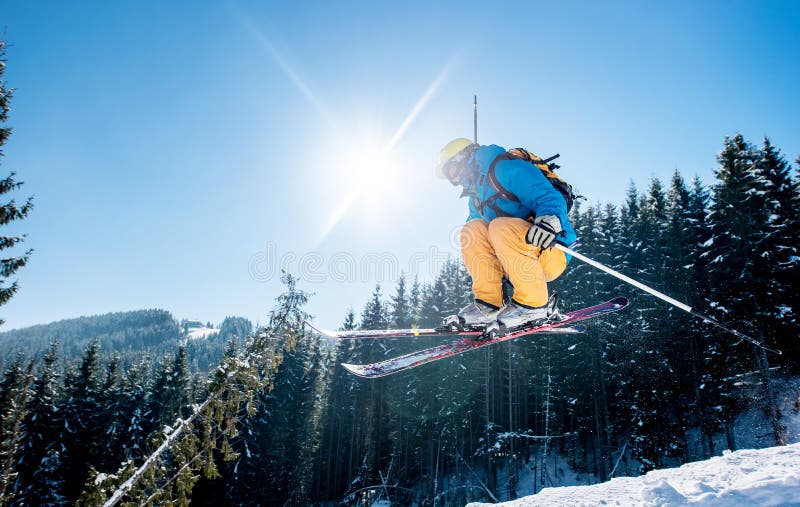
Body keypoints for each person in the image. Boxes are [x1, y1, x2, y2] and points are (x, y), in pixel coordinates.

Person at [436, 138, 577, 330]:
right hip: (514, 262)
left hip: (547, 250)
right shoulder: (476, 197)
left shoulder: (504, 168)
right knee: (472, 230)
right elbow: (479, 242)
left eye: (453, 171)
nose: (455, 180)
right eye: (450, 178)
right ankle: (489, 305)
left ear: (464, 157)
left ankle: (533, 305)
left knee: (499, 226)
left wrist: (548, 221)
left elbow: (548, 196)